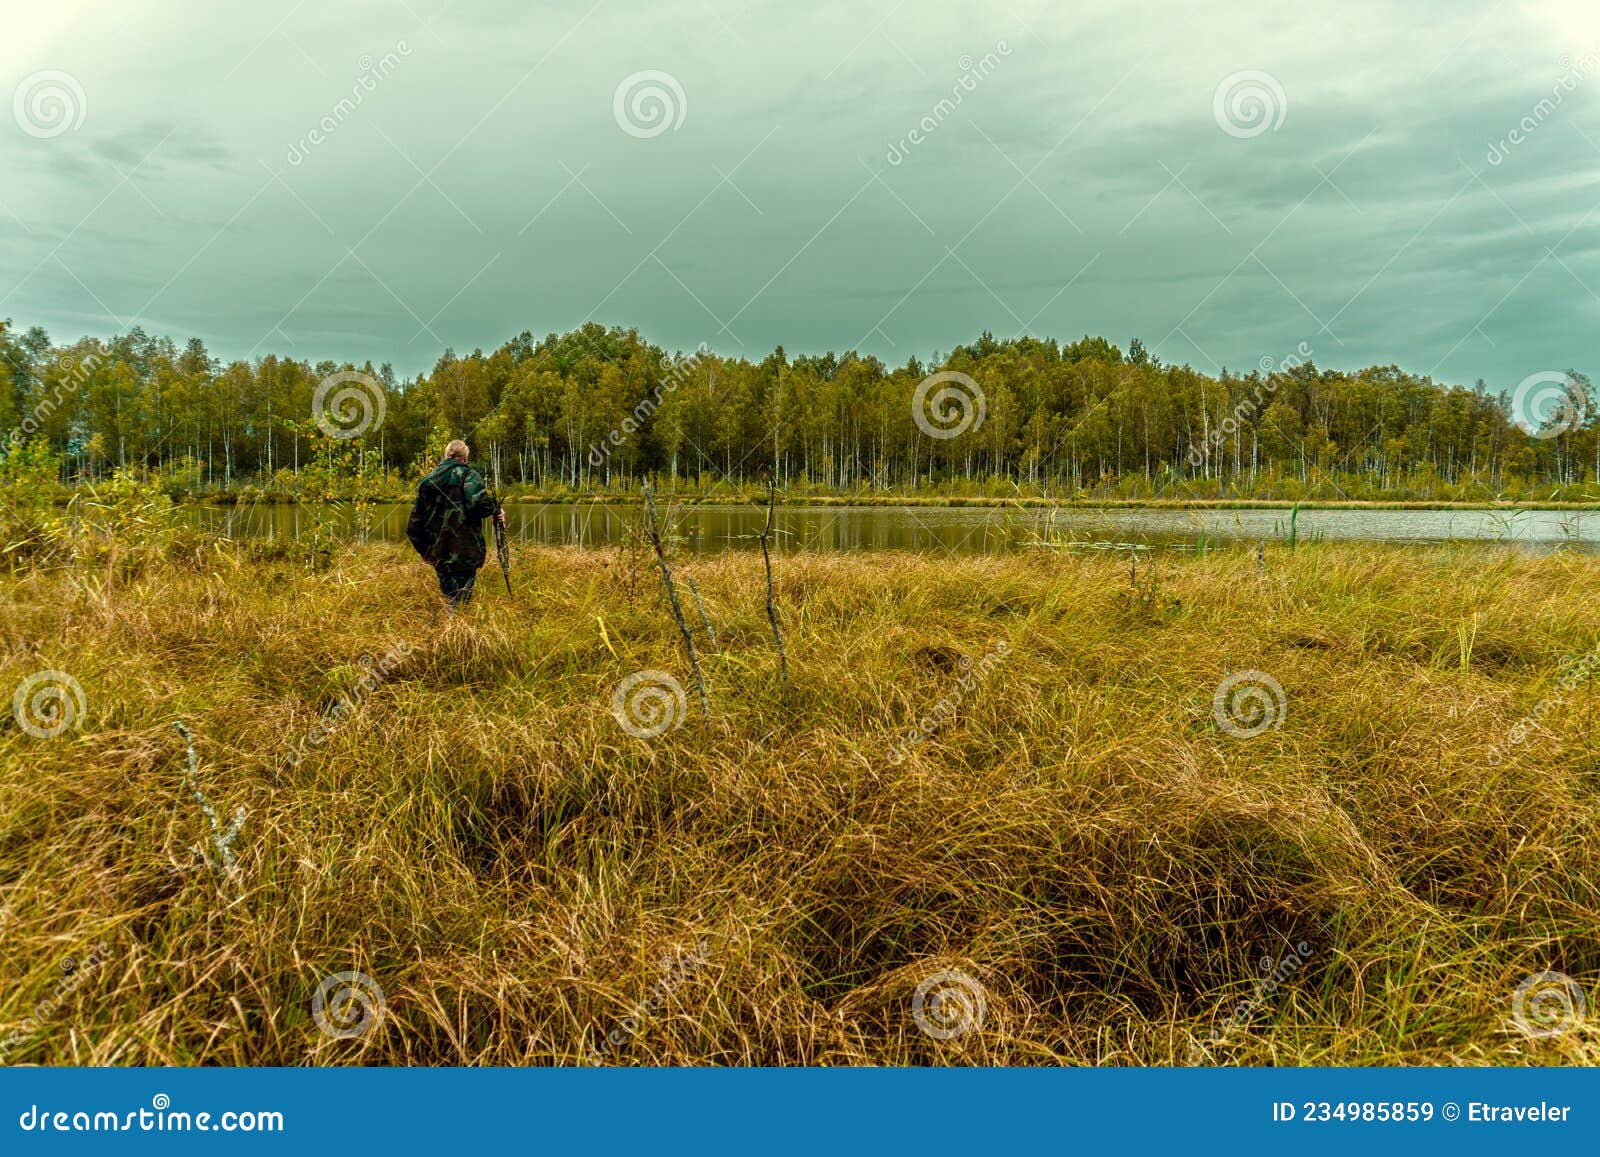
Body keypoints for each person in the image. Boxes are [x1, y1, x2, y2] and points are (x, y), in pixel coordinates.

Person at [405, 439, 507, 607]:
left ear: (446, 456)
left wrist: (427, 553)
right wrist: (497, 510)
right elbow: (480, 505)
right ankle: (456, 629)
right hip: (465, 552)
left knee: (449, 597)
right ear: (465, 458)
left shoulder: (427, 482)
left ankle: (451, 627)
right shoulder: (468, 475)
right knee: (462, 601)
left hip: (439, 554)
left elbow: (413, 527)